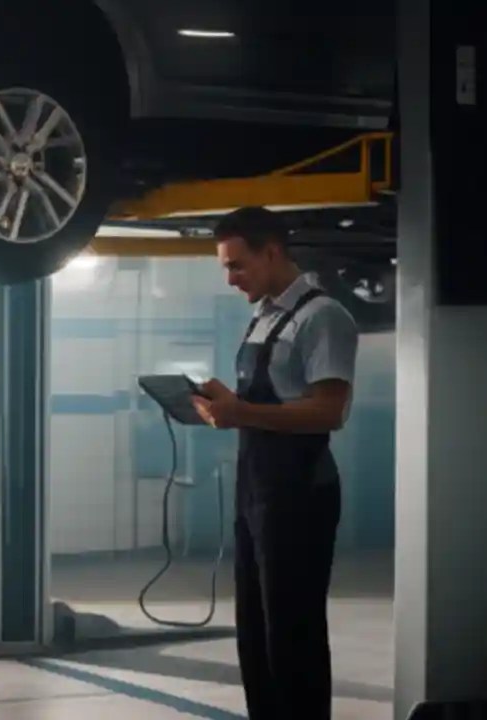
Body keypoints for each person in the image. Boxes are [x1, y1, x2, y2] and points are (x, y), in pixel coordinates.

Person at [191, 206, 358, 720]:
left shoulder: (322, 316)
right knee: (256, 631)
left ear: (272, 252)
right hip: (256, 491)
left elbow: (330, 411)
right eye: (225, 267)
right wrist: (220, 404)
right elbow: (270, 402)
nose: (231, 278)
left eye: (237, 265)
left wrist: (241, 412)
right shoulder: (263, 316)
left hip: (300, 493)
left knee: (293, 631)